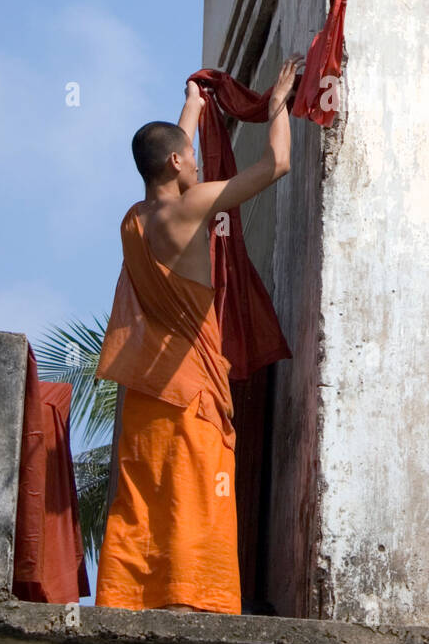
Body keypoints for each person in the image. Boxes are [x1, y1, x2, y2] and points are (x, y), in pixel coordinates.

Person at [94, 55, 303, 613]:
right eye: (190, 155)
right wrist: (277, 107)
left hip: (145, 395)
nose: (196, 158)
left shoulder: (134, 221)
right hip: (191, 391)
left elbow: (171, 151)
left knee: (144, 497)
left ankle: (130, 600)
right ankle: (193, 601)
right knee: (195, 491)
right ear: (176, 163)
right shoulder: (194, 206)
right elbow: (276, 164)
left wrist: (192, 104)